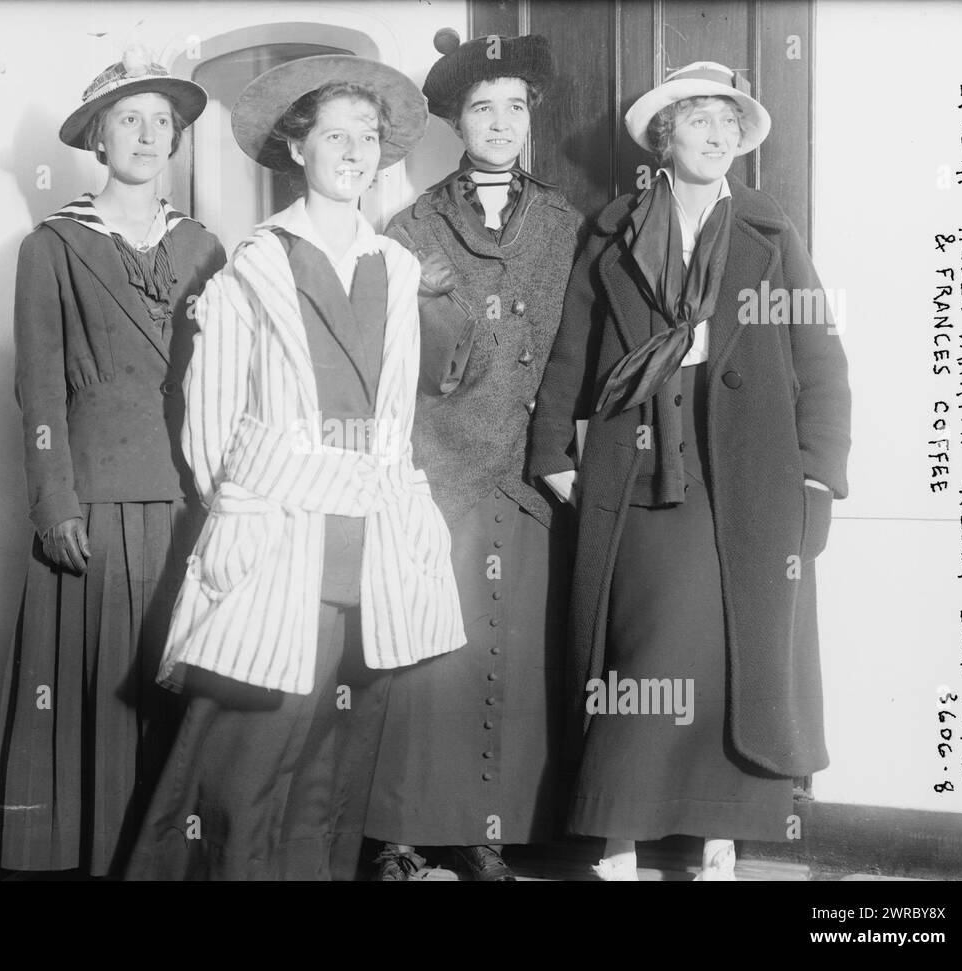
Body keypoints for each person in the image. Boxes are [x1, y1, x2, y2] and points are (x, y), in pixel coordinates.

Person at [126, 54, 465, 881]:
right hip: (281, 544)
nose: (353, 151)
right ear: (298, 148)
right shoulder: (255, 264)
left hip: (374, 547)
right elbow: (209, 431)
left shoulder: (398, 268)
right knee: (247, 760)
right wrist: (265, 510)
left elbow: (398, 422)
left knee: (334, 761)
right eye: (335, 135)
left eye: (368, 138)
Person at [529, 62, 851, 880]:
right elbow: (572, 350)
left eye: (728, 124)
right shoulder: (611, 232)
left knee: (732, 656)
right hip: (637, 470)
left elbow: (820, 357)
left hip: (748, 480)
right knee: (647, 653)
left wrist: (819, 472)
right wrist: (552, 455)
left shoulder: (770, 235)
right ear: (665, 140)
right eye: (700, 121)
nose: (717, 136)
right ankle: (618, 839)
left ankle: (719, 840)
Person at [0, 49, 226, 878]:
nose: (149, 134)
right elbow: (37, 390)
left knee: (179, 690)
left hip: (192, 500)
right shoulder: (51, 246)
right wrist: (55, 504)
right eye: (130, 118)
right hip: (97, 501)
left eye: (164, 120)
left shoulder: (206, 246)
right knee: (99, 692)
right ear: (97, 138)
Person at [364, 29, 583, 882]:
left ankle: (487, 833)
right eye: (482, 107)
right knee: (429, 658)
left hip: (525, 472)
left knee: (511, 652)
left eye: (514, 107)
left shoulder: (565, 222)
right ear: (456, 120)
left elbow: (579, 352)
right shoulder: (411, 224)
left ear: (531, 118)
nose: (500, 121)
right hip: (438, 468)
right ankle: (403, 836)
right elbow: (388, 357)